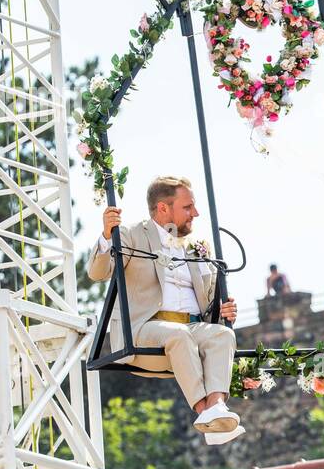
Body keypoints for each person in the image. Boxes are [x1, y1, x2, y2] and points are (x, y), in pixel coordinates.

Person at [87, 176, 244, 446]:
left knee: (222, 336)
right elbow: (98, 272)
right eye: (188, 207)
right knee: (179, 335)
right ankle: (204, 412)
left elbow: (208, 304)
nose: (195, 213)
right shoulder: (131, 235)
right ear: (163, 208)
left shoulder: (196, 248)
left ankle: (217, 407)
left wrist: (223, 309)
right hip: (145, 331)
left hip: (191, 329)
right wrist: (105, 237)